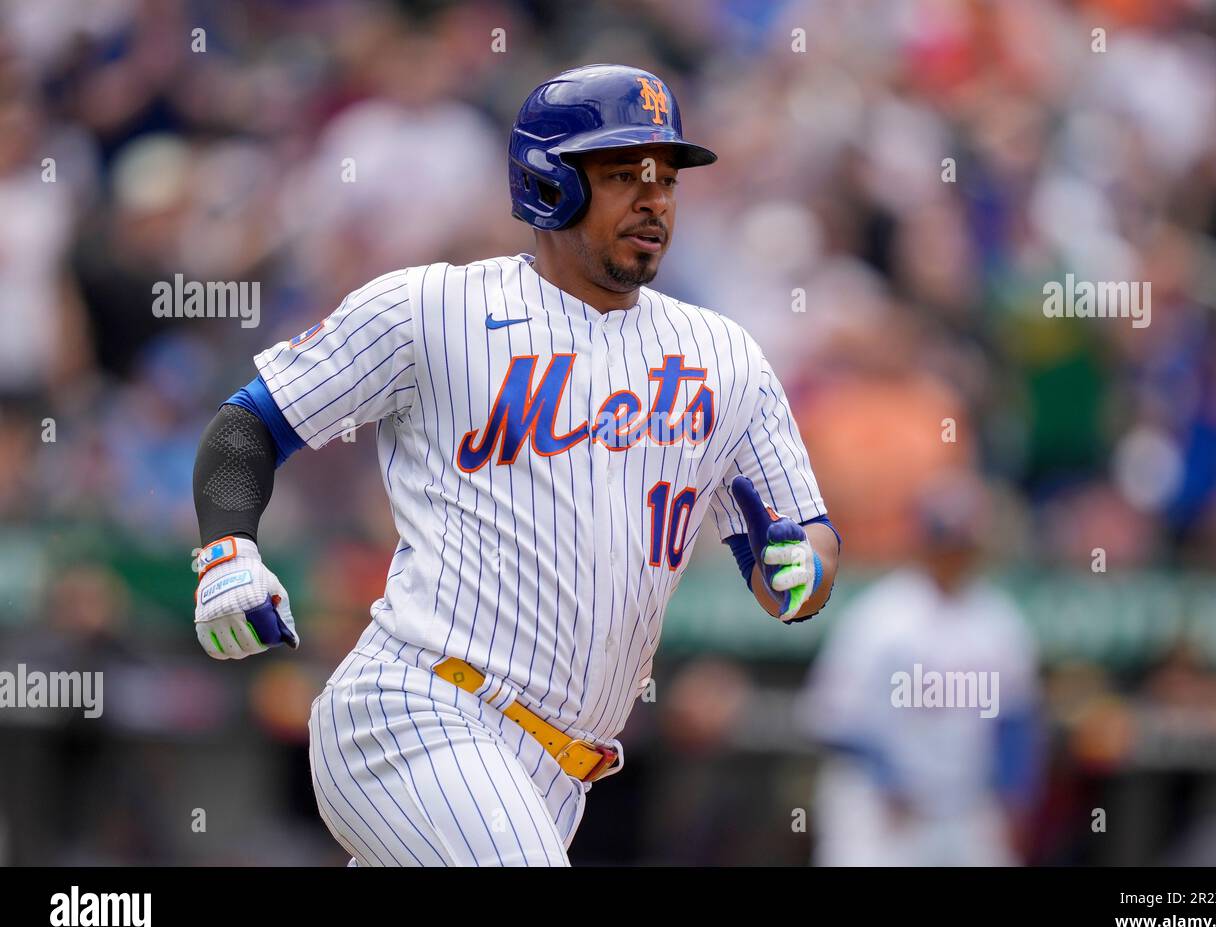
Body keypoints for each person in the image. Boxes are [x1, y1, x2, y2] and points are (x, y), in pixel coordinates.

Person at [189, 64, 842, 866]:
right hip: (417, 712)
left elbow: (805, 539)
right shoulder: (434, 309)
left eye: (666, 178)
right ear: (549, 184)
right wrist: (228, 549)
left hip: (560, 772)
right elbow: (249, 423)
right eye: (621, 174)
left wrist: (801, 570)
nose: (655, 200)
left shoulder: (724, 355)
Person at [800, 472, 1039, 866]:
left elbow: (1015, 720)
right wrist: (889, 779)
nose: (952, 554)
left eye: (961, 544)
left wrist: (1013, 799)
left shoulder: (1001, 623)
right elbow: (832, 719)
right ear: (923, 542)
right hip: (878, 799)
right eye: (944, 542)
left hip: (965, 804)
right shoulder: (880, 616)